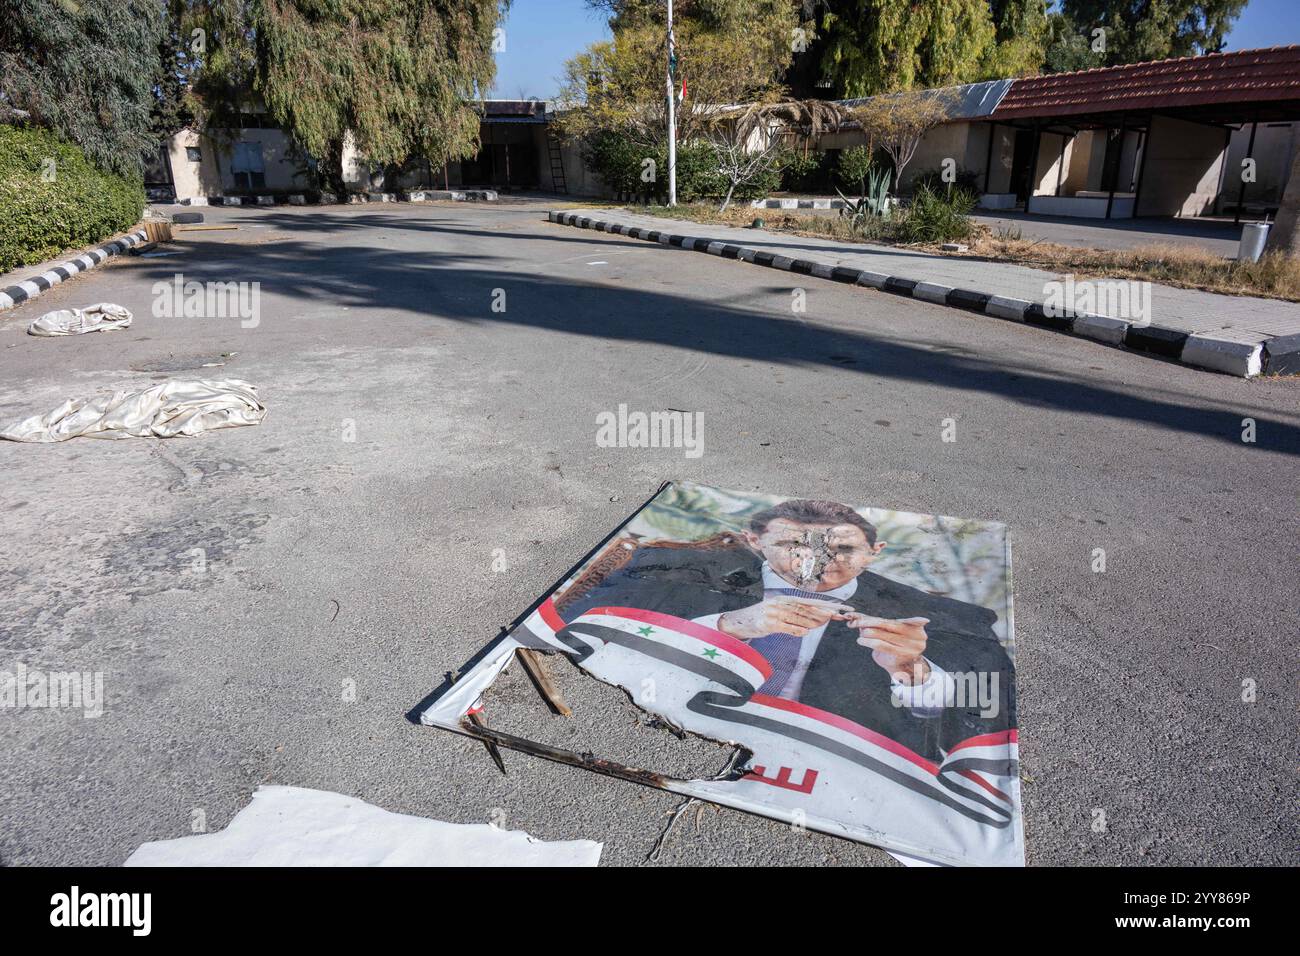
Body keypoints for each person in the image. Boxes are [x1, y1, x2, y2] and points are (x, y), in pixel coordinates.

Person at [559, 499, 1013, 761]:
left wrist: (916, 671)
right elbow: (583, 618)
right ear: (754, 541)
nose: (814, 561)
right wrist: (724, 626)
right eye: (795, 544)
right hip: (662, 733)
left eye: (842, 549)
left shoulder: (947, 616)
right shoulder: (681, 566)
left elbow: (990, 714)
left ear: (876, 551)